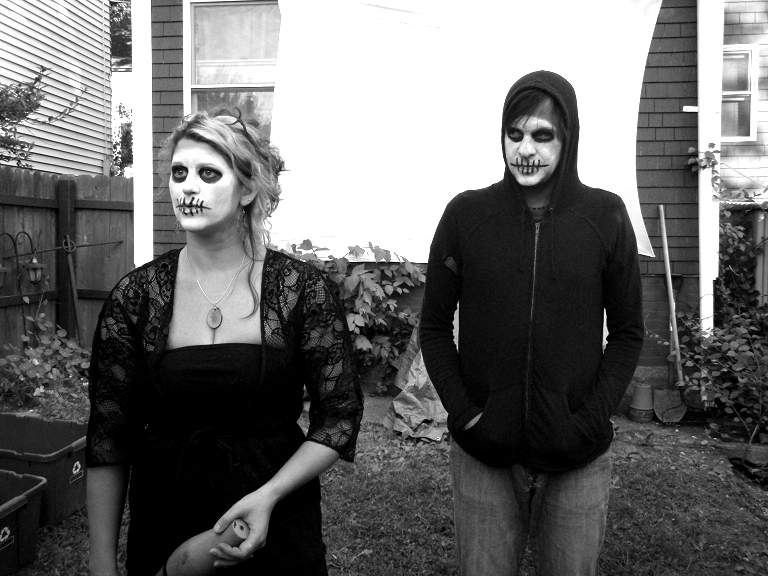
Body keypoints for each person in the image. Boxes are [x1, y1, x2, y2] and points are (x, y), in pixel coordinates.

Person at [86, 110, 363, 575]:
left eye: (208, 174)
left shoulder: (299, 291)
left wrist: (269, 496)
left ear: (247, 190)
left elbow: (339, 415)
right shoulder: (137, 297)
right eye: (179, 173)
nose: (188, 188)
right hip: (167, 515)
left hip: (275, 520)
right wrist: (100, 564)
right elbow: (110, 436)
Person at [419, 70, 644, 576]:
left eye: (543, 136)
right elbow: (433, 325)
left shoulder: (605, 216)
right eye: (515, 133)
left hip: (577, 459)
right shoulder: (466, 215)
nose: (526, 149)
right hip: (484, 457)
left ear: (568, 139)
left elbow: (629, 332)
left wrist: (588, 421)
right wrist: (466, 414)